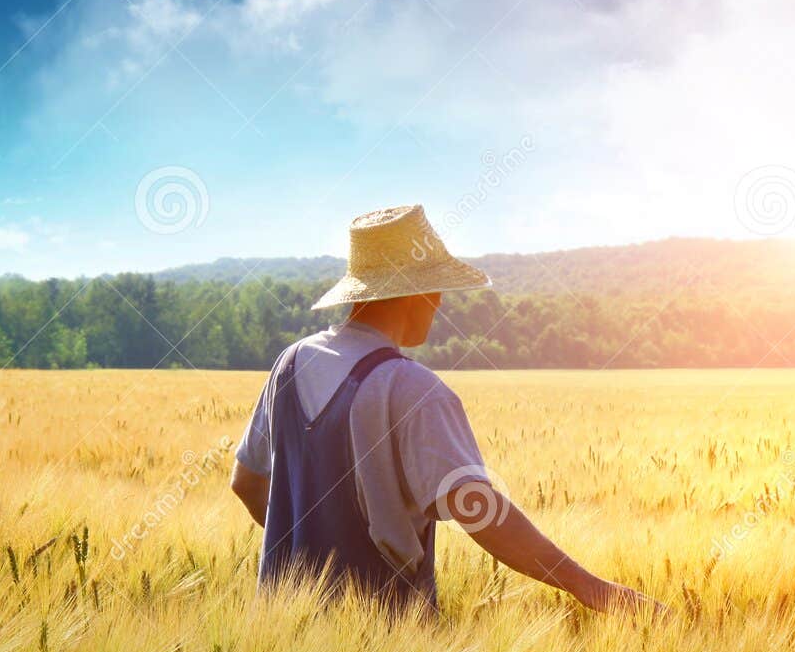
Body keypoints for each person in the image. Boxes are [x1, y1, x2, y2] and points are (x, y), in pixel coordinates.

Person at [229, 204, 658, 616]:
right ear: (419, 294)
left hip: (281, 622)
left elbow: (245, 482)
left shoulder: (290, 363)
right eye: (438, 290)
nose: (441, 303)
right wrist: (592, 589)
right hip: (388, 647)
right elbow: (481, 513)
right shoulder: (412, 388)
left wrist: (311, 557)